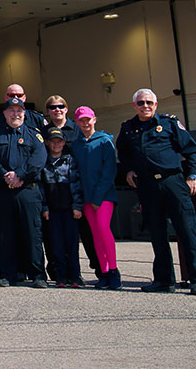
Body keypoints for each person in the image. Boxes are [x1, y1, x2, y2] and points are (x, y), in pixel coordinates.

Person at [116, 88, 196, 295]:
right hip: (147, 186)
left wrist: (192, 175)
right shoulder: (128, 128)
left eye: (149, 102)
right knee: (157, 233)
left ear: (156, 105)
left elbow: (192, 151)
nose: (145, 106)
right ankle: (164, 281)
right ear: (134, 106)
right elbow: (123, 153)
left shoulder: (169, 123)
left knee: (187, 231)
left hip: (173, 182)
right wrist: (128, 170)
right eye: (141, 103)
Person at [0, 97, 47, 288]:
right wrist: (5, 176)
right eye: (11, 111)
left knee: (32, 234)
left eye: (19, 111)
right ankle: (6, 274)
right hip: (4, 191)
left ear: (24, 113)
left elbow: (39, 159)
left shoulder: (34, 136)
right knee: (5, 234)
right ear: (4, 114)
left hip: (28, 191)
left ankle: (37, 275)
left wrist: (19, 175)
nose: (15, 114)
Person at [71, 106, 121, 290]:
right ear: (77, 123)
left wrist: (98, 197)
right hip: (86, 198)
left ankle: (114, 271)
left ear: (94, 119)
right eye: (81, 120)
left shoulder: (105, 141)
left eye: (88, 119)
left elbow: (109, 171)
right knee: (95, 235)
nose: (85, 123)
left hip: (103, 196)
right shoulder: (76, 145)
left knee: (103, 229)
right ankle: (104, 272)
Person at [40, 127, 84, 288]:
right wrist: (44, 207)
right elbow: (42, 188)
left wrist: (77, 206)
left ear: (64, 143)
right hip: (52, 210)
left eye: (59, 141)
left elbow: (77, 185)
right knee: (56, 244)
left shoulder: (70, 160)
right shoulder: (44, 162)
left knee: (72, 244)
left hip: (70, 209)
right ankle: (61, 276)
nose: (56, 144)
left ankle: (75, 276)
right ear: (47, 143)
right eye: (53, 141)